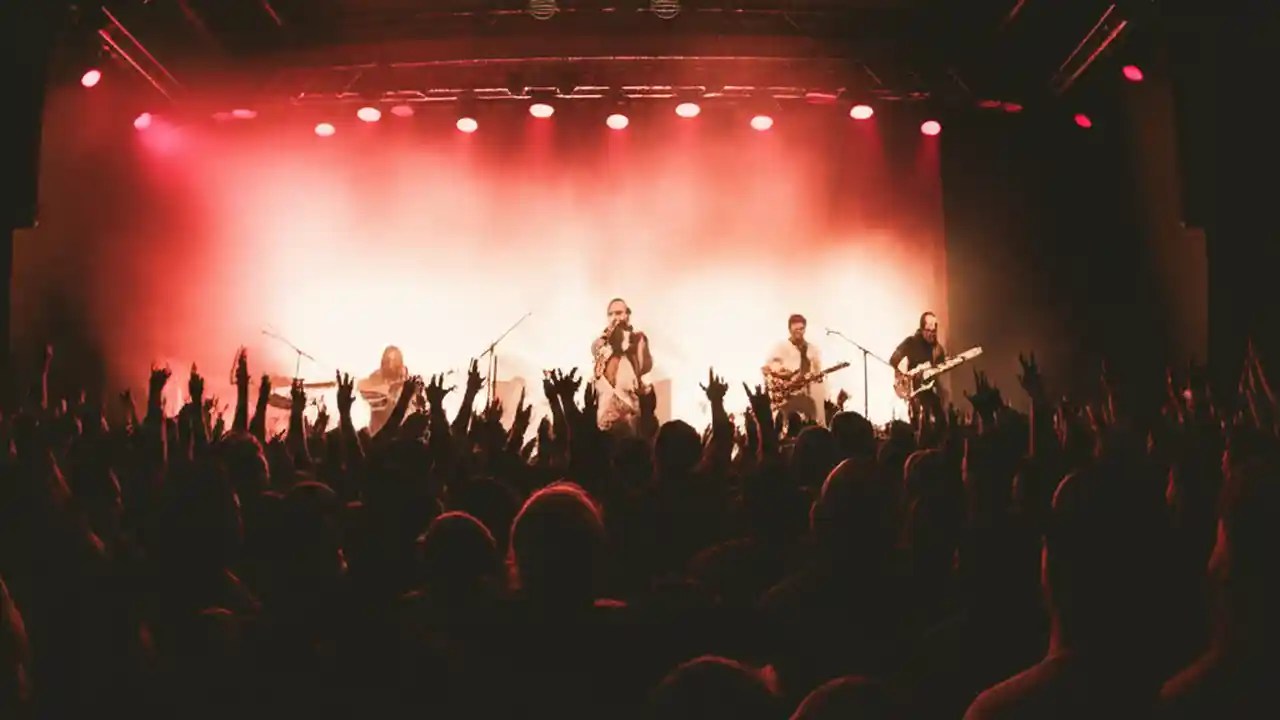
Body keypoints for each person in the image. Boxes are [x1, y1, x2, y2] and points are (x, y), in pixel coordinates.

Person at [591, 298, 653, 432]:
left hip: (629, 406)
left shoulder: (637, 339)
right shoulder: (601, 342)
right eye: (611, 314)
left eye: (618, 313)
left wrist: (627, 344)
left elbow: (644, 366)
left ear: (627, 315)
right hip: (606, 409)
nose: (614, 317)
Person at [763, 314, 826, 426]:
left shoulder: (812, 350)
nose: (799, 332)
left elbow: (817, 373)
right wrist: (783, 376)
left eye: (801, 329)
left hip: (806, 397)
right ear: (789, 329)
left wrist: (818, 376)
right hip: (786, 398)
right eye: (795, 329)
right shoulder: (780, 348)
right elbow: (766, 370)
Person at [890, 312, 947, 428]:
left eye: (934, 331)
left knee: (941, 422)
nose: (932, 334)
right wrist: (906, 376)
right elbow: (893, 359)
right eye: (929, 331)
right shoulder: (911, 342)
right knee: (919, 423)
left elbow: (940, 367)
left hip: (928, 390)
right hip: (914, 393)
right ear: (922, 329)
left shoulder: (937, 349)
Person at [357, 345, 409, 433]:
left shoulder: (406, 383)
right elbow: (362, 388)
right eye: (388, 360)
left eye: (394, 360)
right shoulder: (375, 378)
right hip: (377, 433)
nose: (390, 364)